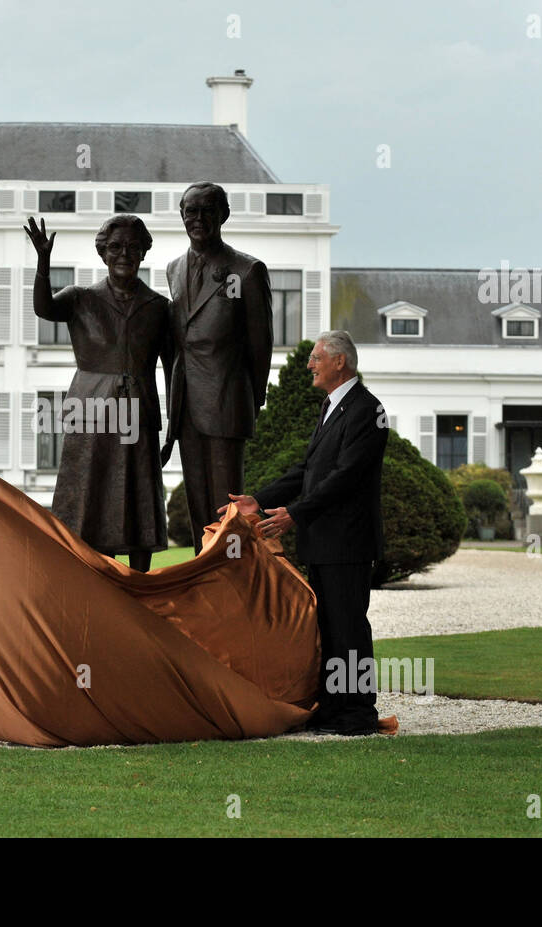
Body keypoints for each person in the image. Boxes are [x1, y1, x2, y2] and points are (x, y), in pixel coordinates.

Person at [222, 331, 389, 736]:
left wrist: (294, 514)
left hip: (347, 541)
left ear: (340, 363)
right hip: (325, 540)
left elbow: (345, 477)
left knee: (349, 626)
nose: (309, 364)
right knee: (329, 627)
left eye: (316, 358)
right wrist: (258, 500)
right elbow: (308, 471)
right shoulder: (333, 406)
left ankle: (359, 713)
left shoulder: (367, 409)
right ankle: (334, 708)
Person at [23, 214, 170, 572]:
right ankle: (95, 592)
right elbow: (45, 308)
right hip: (90, 412)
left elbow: (173, 369)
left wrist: (174, 429)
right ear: (103, 253)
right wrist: (43, 263)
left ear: (143, 253)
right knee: (91, 502)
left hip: (138, 414)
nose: (124, 254)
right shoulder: (81, 298)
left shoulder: (159, 308)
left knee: (138, 508)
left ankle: (138, 592)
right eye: (116, 247)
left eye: (133, 248)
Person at [163, 181, 273, 554]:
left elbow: (260, 345)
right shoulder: (173, 269)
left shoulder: (246, 271)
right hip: (186, 403)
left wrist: (252, 401)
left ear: (223, 215)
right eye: (190, 211)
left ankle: (231, 579)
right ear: (181, 216)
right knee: (197, 505)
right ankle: (201, 578)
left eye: (207, 210)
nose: (197, 218)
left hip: (227, 399)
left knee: (227, 508)